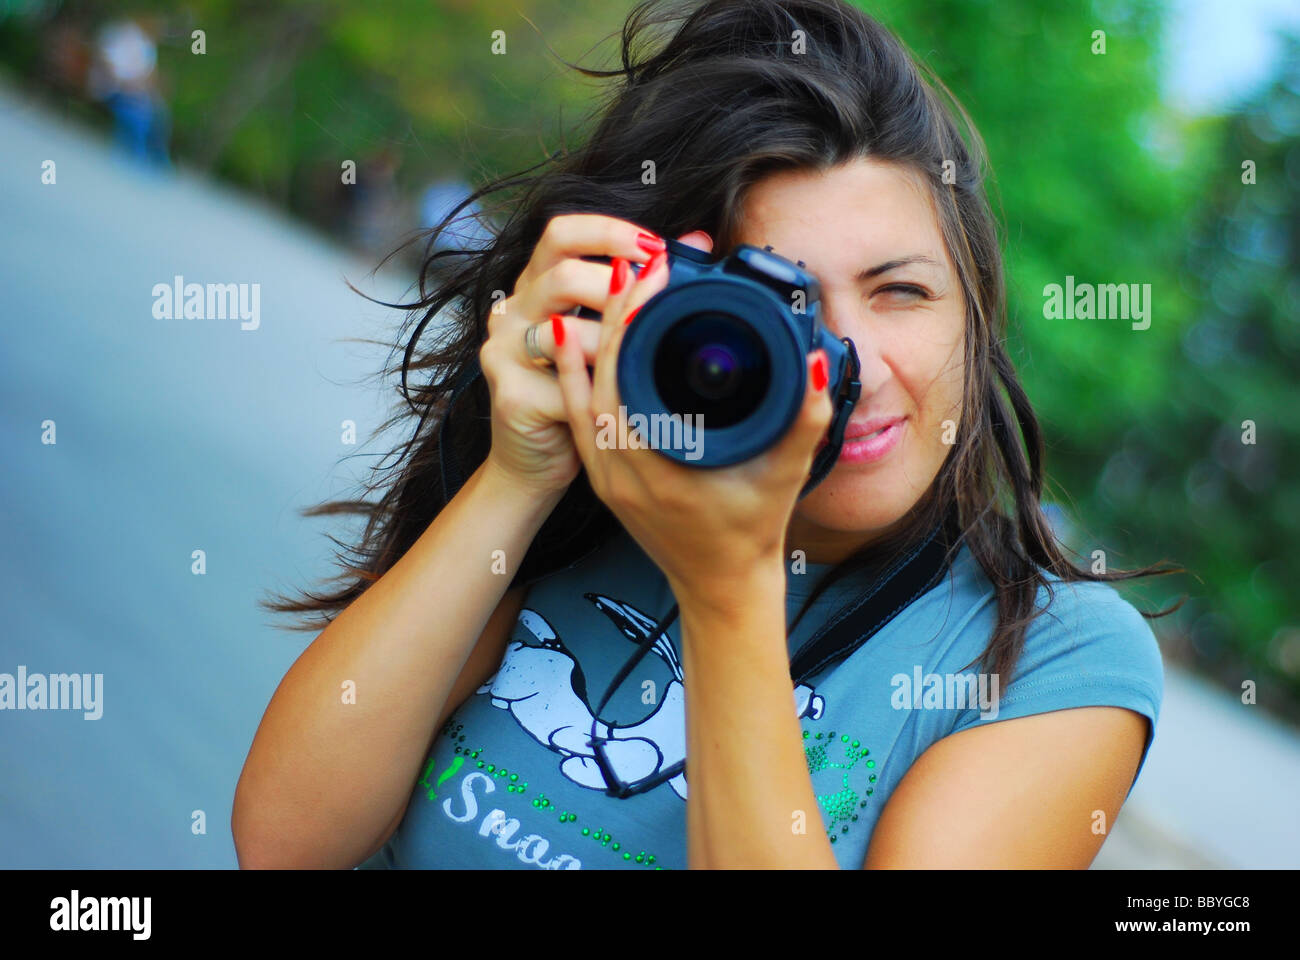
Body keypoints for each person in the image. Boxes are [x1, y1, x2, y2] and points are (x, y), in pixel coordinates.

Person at [233, 0, 1181, 870]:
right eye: (784, 306)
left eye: (902, 291)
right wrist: (518, 478)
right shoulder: (595, 491)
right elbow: (285, 844)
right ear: (668, 325)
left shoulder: (1053, 658)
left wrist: (728, 592)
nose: (846, 366)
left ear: (976, 318)